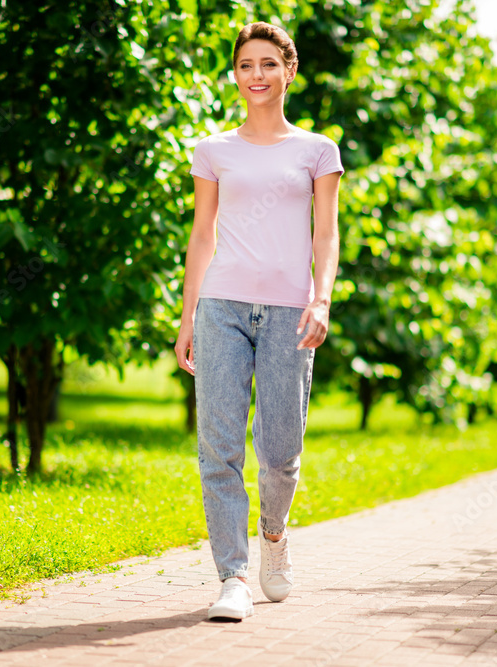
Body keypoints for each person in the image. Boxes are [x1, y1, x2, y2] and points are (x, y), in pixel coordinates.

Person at [173, 20, 344, 621]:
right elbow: (202, 234)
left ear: (288, 71)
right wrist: (188, 313)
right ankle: (233, 576)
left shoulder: (318, 150)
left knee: (280, 451)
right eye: (247, 65)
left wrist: (320, 300)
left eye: (268, 64)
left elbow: (327, 236)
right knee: (217, 448)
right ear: (235, 74)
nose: (257, 76)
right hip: (222, 307)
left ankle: (273, 534)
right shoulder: (214, 150)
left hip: (289, 313)